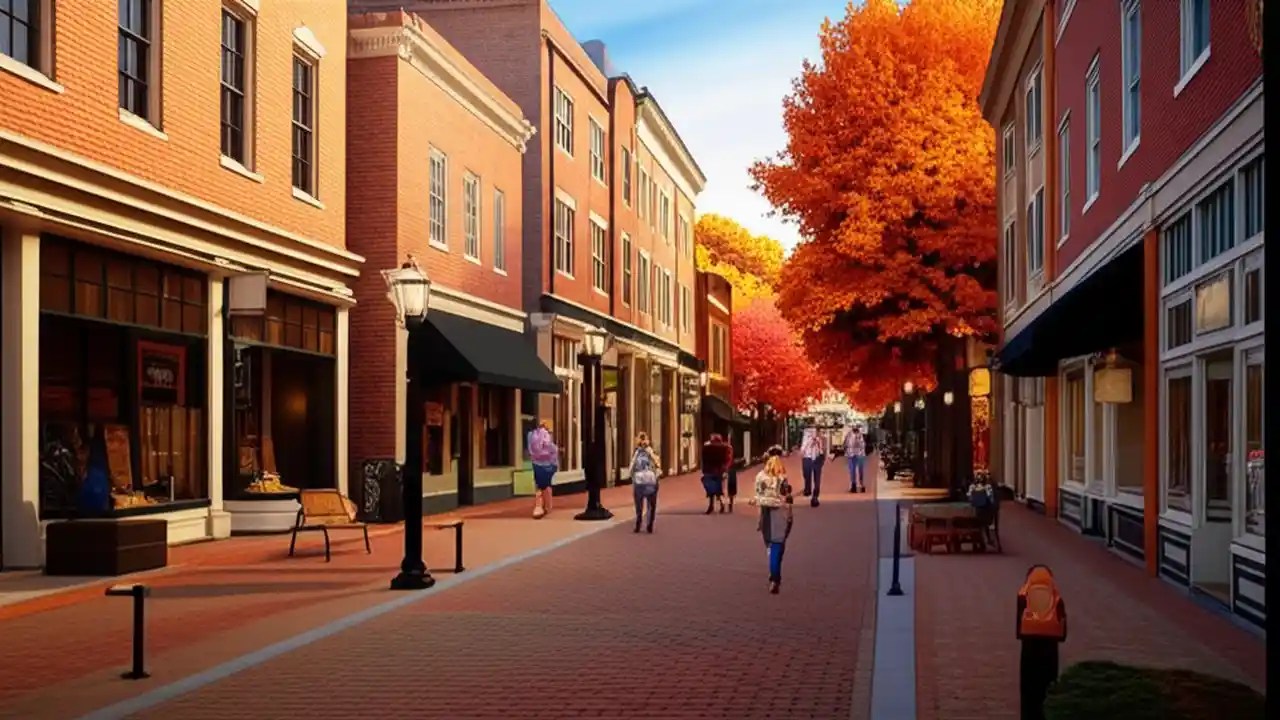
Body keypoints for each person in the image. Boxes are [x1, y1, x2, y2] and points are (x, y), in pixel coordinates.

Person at [750, 446, 794, 594]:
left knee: (770, 545)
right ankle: (775, 577)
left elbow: (757, 495)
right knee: (778, 545)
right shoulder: (782, 478)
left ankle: (774, 576)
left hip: (765, 513)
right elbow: (787, 496)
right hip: (780, 514)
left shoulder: (760, 477)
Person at [526, 420, 558, 519]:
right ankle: (546, 507)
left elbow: (530, 449)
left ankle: (540, 506)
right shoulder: (546, 435)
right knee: (546, 484)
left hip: (536, 463)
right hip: (549, 464)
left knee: (539, 485)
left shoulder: (531, 435)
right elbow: (551, 448)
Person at [629, 432, 660, 533]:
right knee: (652, 504)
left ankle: (638, 523)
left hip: (639, 482)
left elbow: (631, 467)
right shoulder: (651, 451)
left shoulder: (636, 452)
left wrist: (632, 476)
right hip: (651, 481)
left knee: (639, 504)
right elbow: (658, 464)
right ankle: (650, 524)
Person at [701, 434, 732, 514]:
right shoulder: (725, 447)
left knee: (710, 489)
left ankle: (711, 505)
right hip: (719, 471)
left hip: (709, 470)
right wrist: (725, 469)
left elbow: (704, 459)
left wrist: (704, 470)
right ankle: (721, 504)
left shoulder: (707, 447)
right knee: (719, 488)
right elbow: (727, 459)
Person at [799, 425, 826, 507]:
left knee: (817, 479)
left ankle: (815, 497)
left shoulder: (820, 438)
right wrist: (810, 441)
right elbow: (802, 450)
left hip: (817, 459)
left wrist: (818, 441)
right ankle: (808, 489)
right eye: (811, 431)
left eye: (815, 431)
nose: (814, 433)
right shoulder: (806, 439)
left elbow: (823, 449)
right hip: (807, 458)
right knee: (807, 475)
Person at [842, 424, 868, 493]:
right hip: (852, 454)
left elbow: (863, 444)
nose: (855, 428)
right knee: (853, 470)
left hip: (859, 453)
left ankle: (860, 485)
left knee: (859, 470)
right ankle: (854, 485)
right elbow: (846, 444)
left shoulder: (860, 435)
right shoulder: (849, 435)